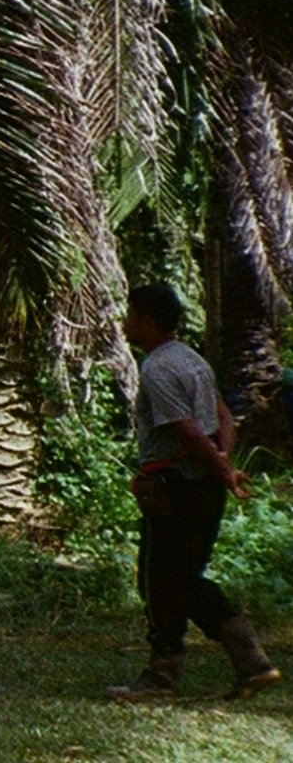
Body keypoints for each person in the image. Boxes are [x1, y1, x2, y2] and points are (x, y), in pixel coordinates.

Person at [107, 282, 278, 701]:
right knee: (179, 579)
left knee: (164, 580)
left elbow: (183, 428)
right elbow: (224, 418)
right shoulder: (193, 360)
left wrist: (221, 467)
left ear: (146, 321)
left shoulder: (158, 368)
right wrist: (224, 464)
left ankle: (161, 677)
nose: (125, 323)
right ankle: (251, 662)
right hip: (201, 487)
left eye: (130, 315)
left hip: (178, 488)